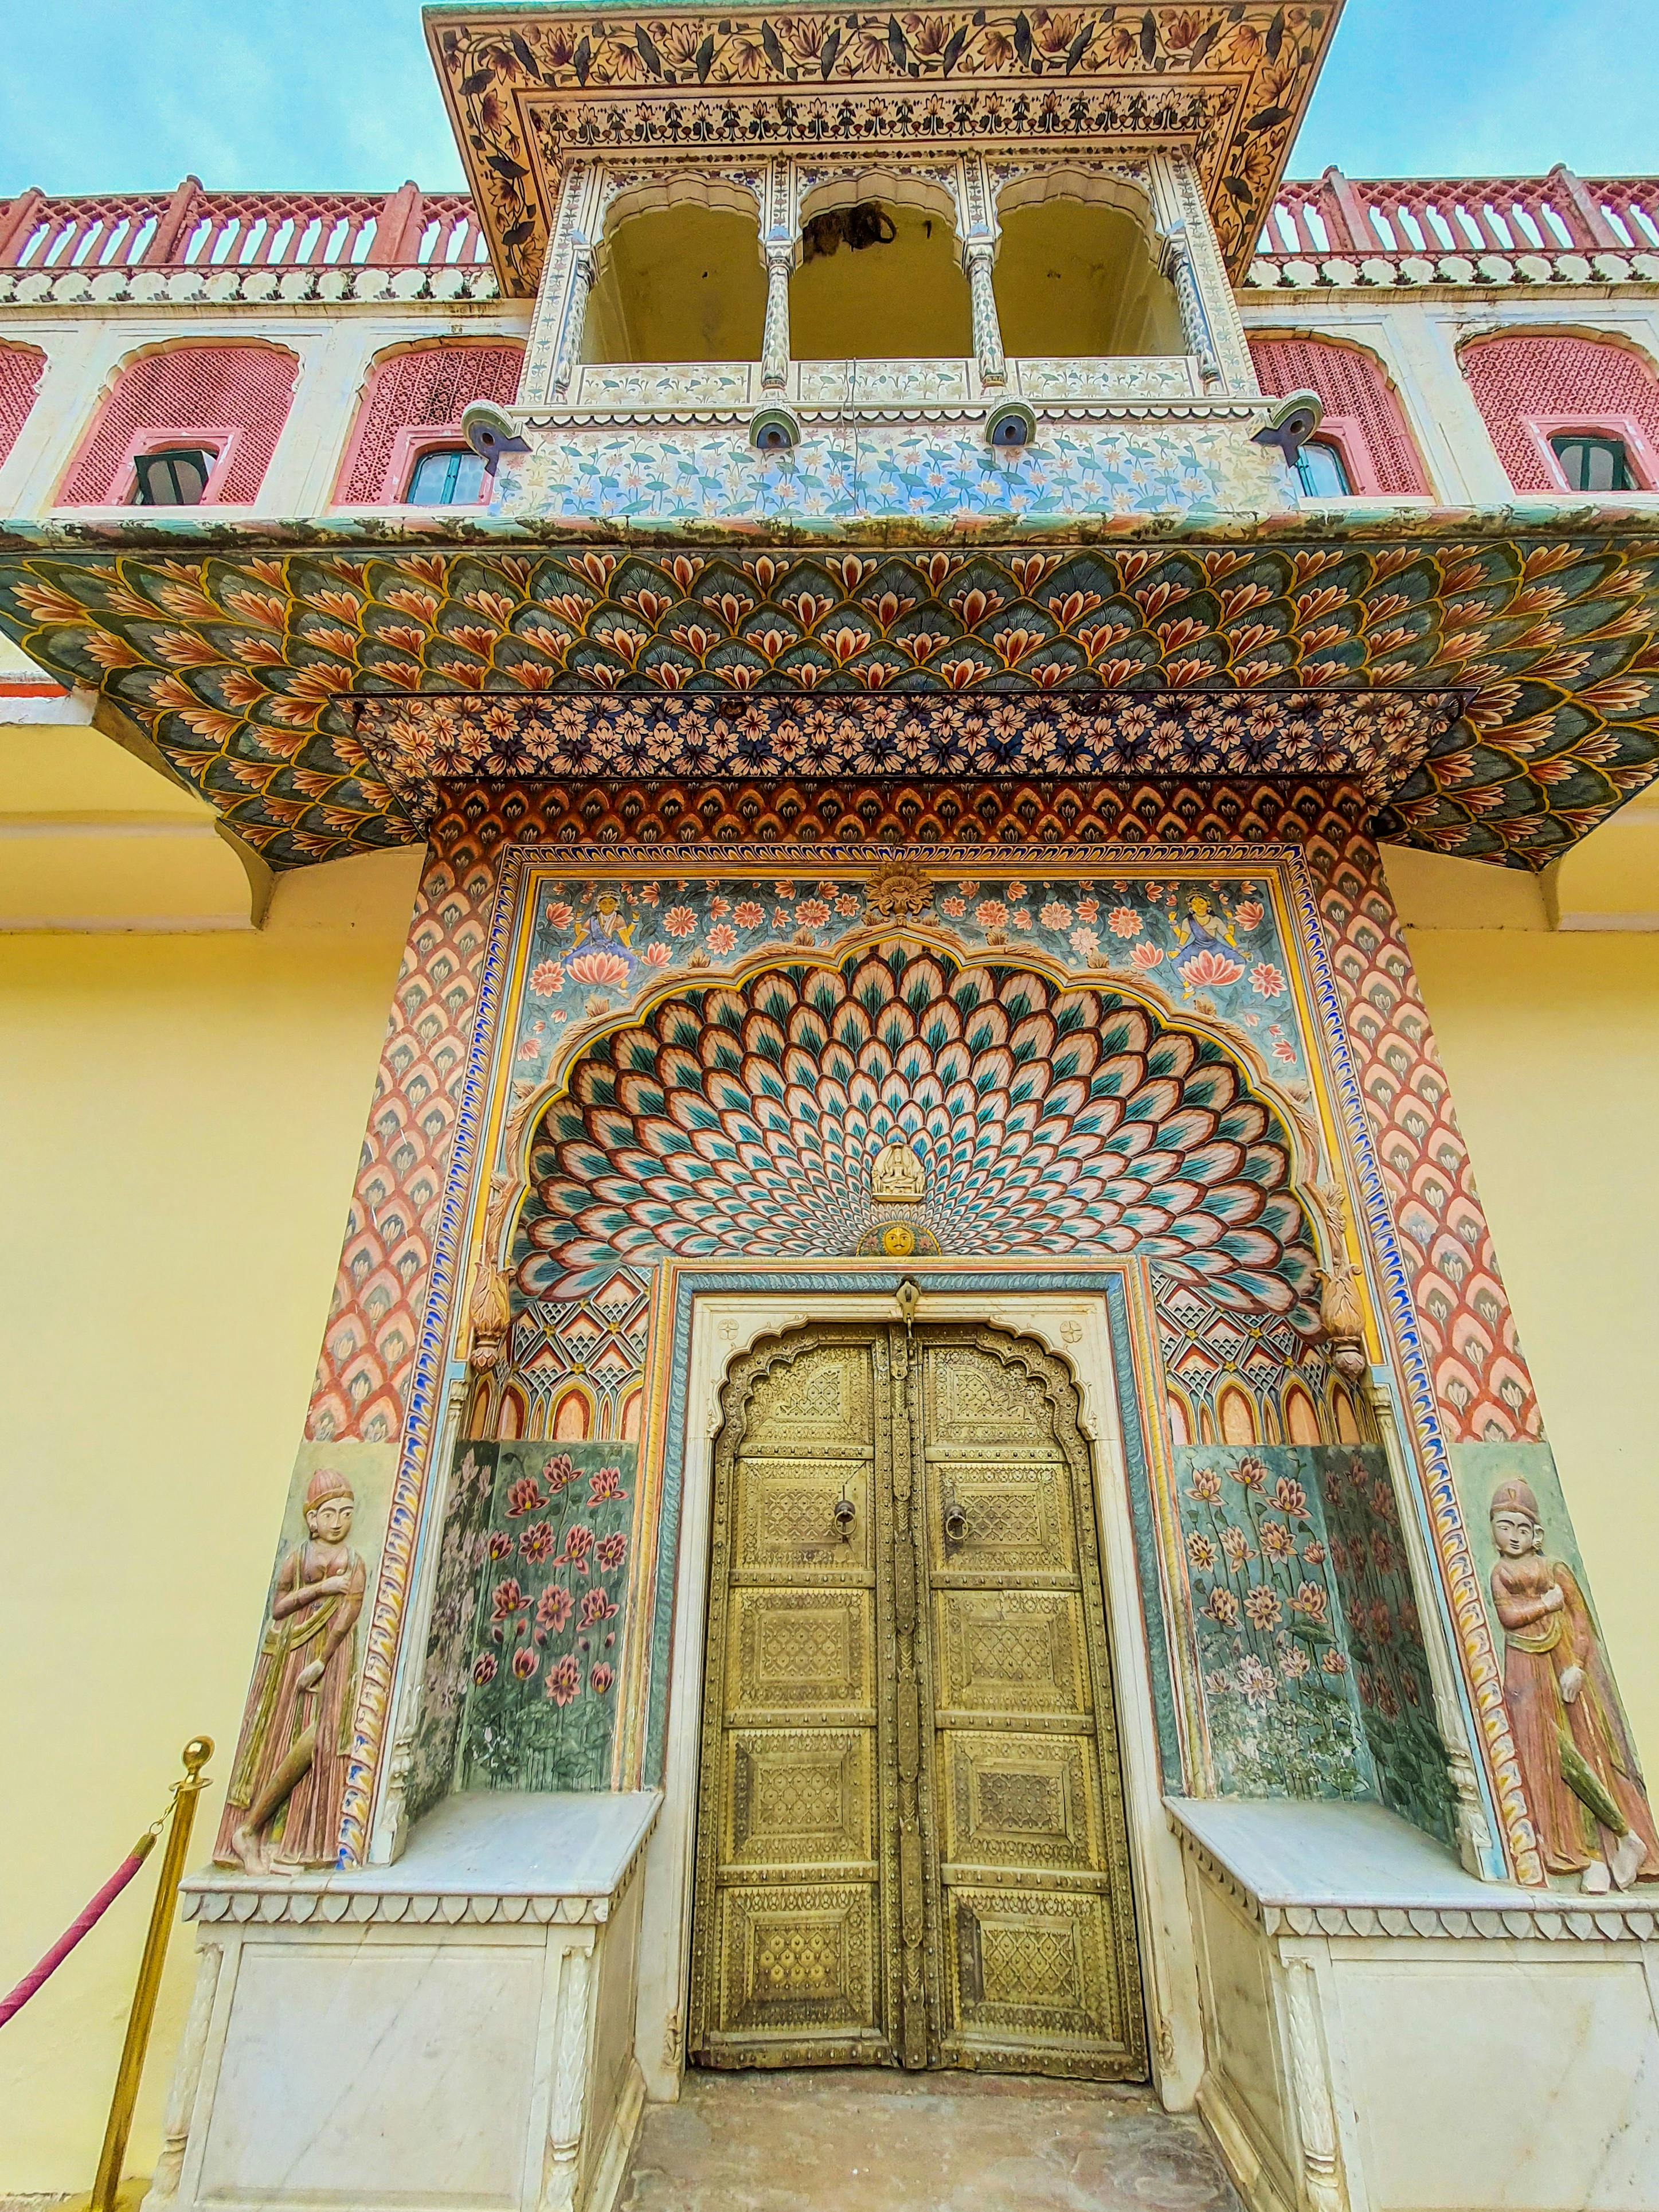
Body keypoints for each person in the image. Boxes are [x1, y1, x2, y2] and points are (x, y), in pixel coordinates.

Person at [1489, 1476, 1657, 1890]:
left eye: (1522, 1528)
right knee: (1544, 1761)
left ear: (1537, 1533)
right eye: (1505, 1526)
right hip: (1523, 1670)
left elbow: (1581, 1620)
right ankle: (1585, 1855)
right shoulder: (1499, 1574)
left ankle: (1621, 1839)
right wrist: (1545, 1604)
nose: (1513, 1536)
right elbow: (1508, 1617)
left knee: (1584, 1752)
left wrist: (1577, 1666)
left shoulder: (1554, 1569)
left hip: (1561, 1666)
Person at [216, 1467, 368, 1873]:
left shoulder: (355, 1563)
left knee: (321, 1741)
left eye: (346, 1513)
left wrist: (322, 1660)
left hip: (330, 1662)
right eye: (330, 1513)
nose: (338, 1522)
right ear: (312, 1519)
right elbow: (279, 1606)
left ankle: (293, 1845)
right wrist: (320, 1589)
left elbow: (349, 1614)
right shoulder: (298, 1558)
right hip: (289, 1654)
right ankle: (251, 1833)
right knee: (274, 1740)